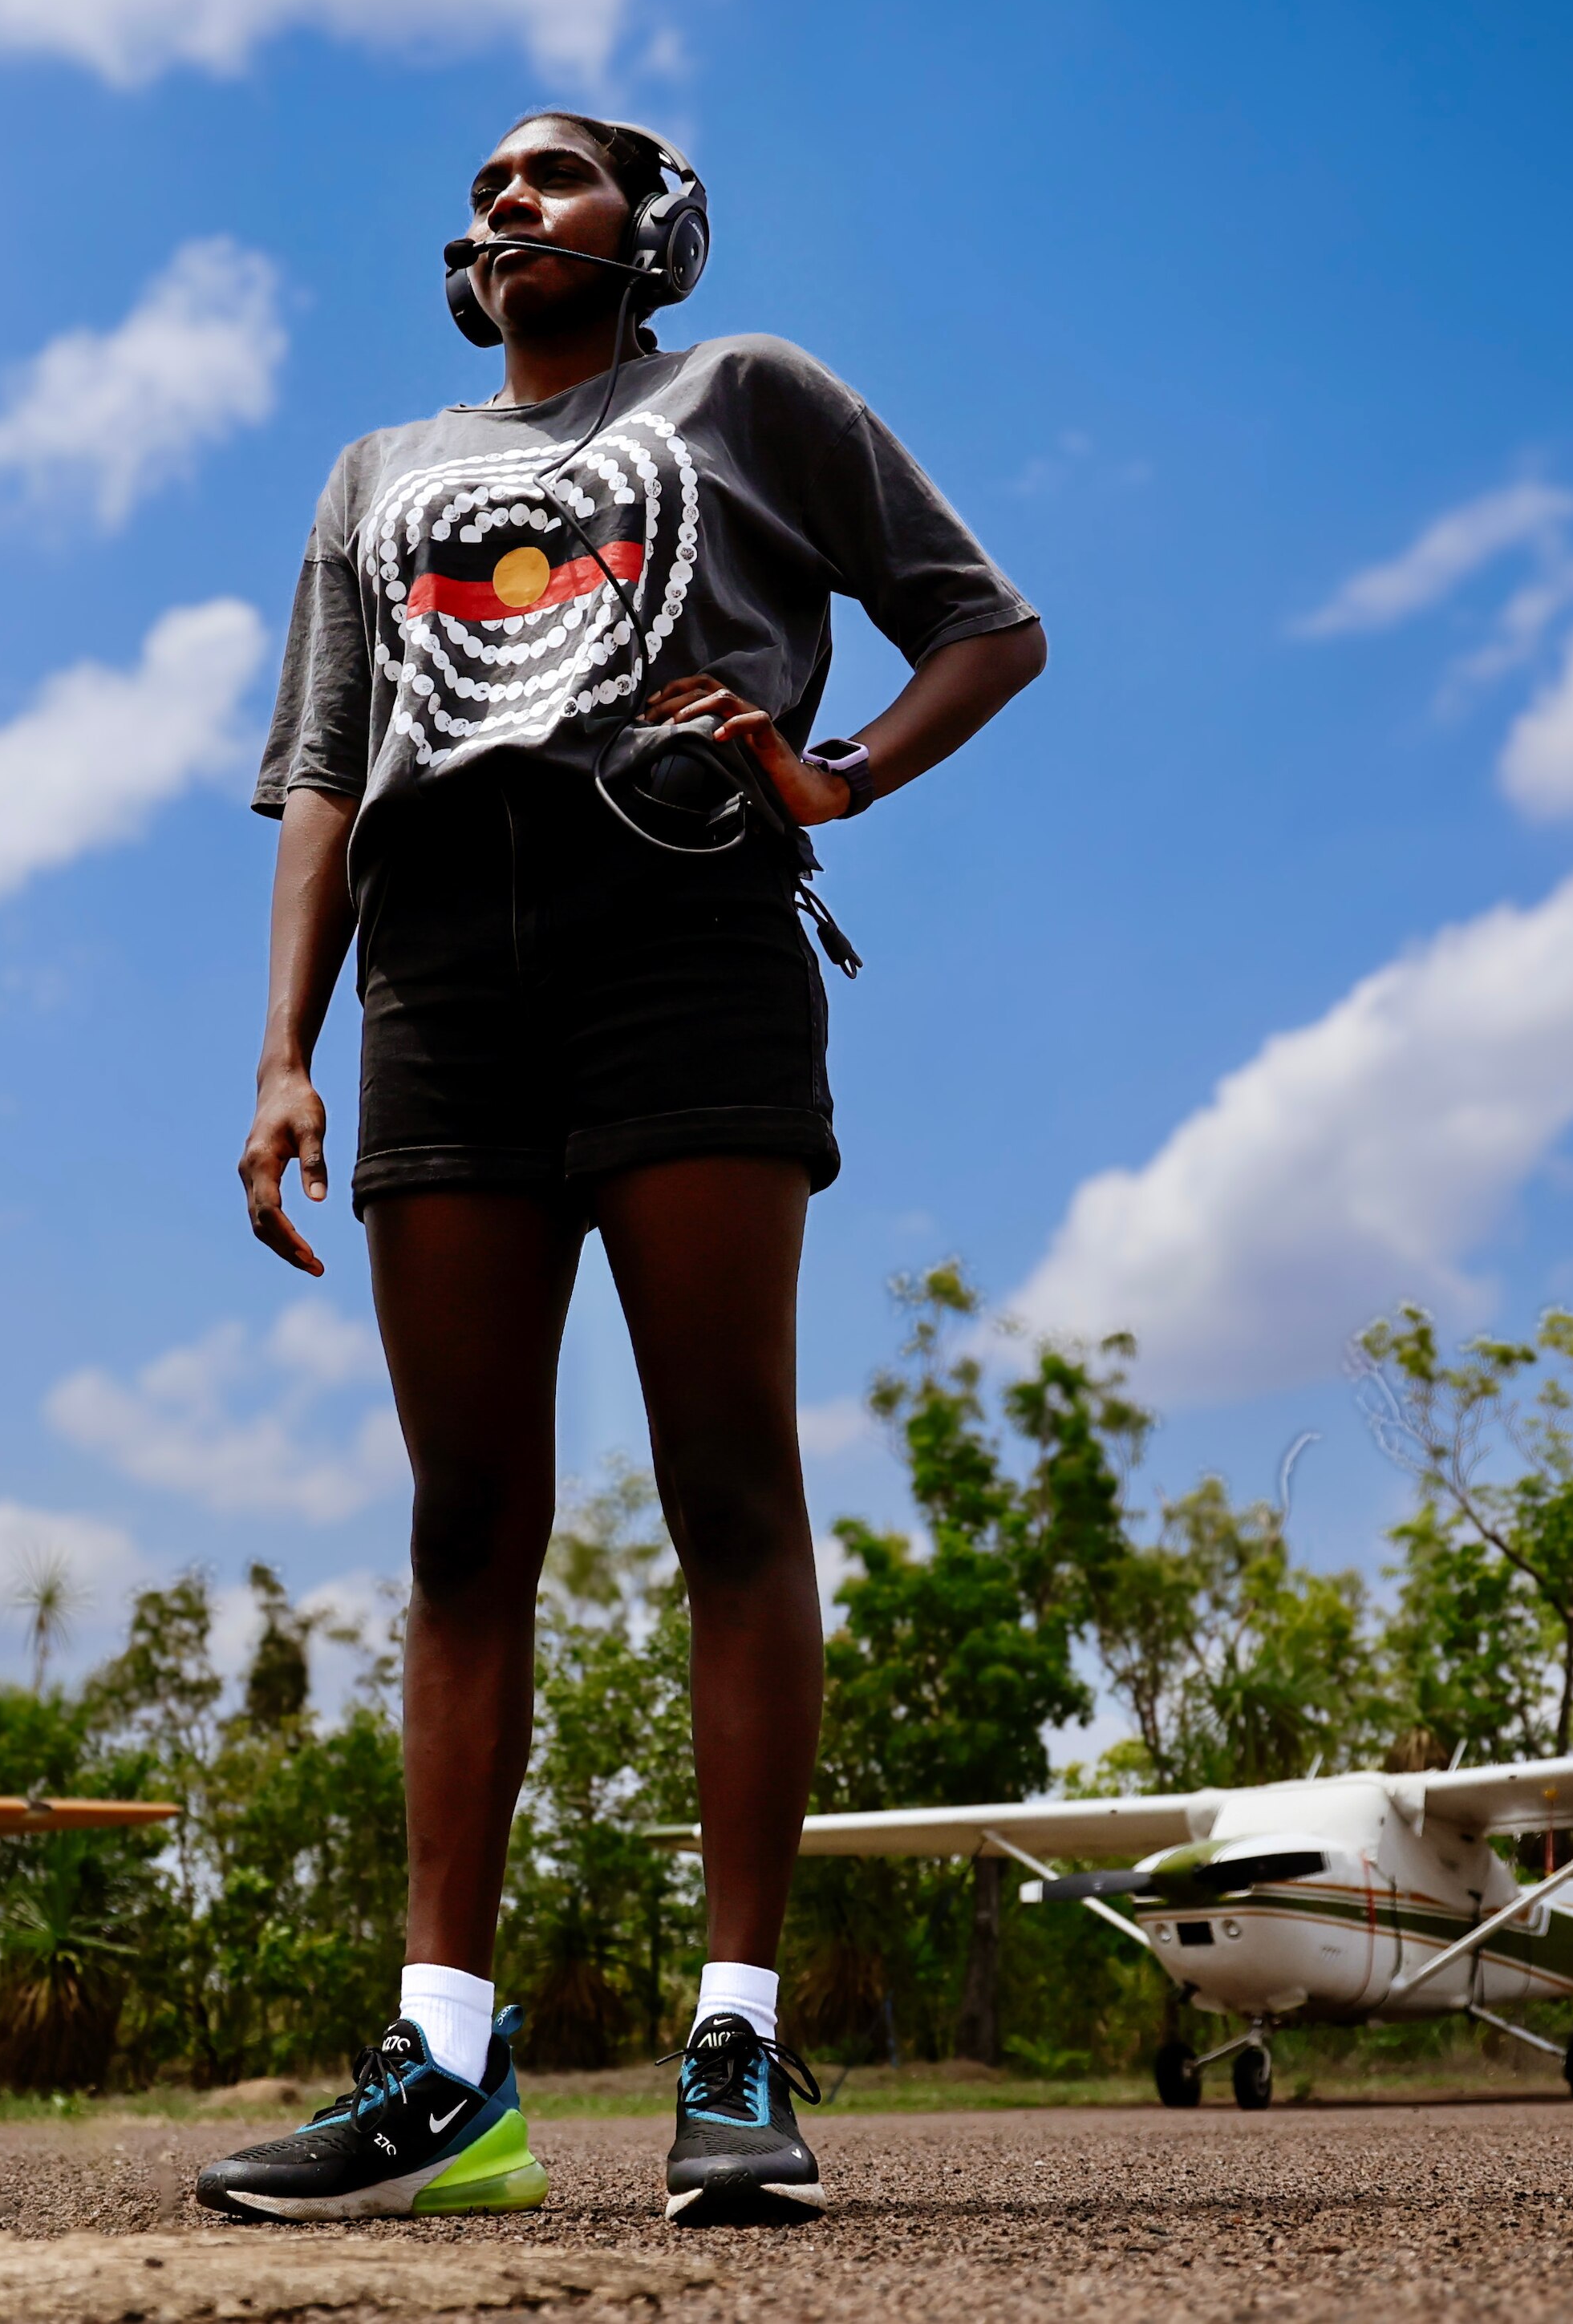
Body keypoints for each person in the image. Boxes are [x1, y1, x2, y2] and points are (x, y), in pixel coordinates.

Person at [195, 112, 1046, 2228]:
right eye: (489, 188)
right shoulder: (376, 477)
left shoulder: (744, 392)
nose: (513, 205)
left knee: (728, 1485)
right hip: (443, 981)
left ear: (650, 231)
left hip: (683, 935)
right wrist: (288, 1052)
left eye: (559, 177)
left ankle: (737, 2040)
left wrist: (831, 771)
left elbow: (985, 627)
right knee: (467, 1517)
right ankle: (448, 2070)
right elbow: (322, 774)